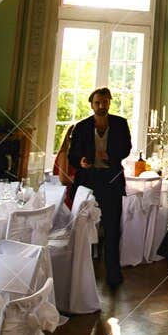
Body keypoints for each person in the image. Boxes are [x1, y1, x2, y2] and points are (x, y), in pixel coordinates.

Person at [66, 87, 132, 287]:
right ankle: (79, 273)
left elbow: (126, 148)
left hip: (111, 180)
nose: (102, 106)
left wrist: (110, 156)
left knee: (112, 228)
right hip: (88, 182)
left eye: (105, 102)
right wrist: (81, 161)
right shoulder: (82, 126)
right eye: (98, 103)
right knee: (82, 226)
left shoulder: (120, 124)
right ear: (91, 104)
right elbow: (72, 155)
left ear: (110, 102)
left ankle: (113, 272)